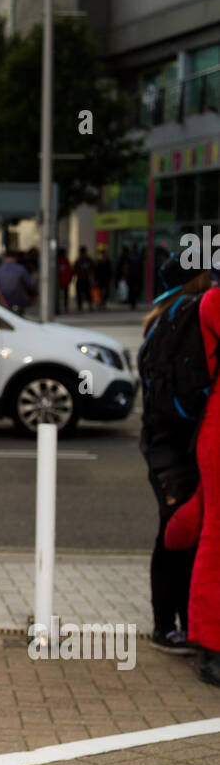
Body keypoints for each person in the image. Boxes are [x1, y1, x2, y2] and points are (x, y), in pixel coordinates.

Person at [137, 254, 210, 658]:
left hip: (164, 444)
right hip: (176, 446)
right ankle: (169, 625)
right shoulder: (183, 319)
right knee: (177, 536)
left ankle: (173, 623)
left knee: (179, 533)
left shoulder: (161, 320)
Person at [164, 269, 220, 687]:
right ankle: (210, 644)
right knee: (214, 538)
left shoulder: (210, 302)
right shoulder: (213, 304)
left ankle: (209, 643)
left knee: (209, 530)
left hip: (213, 431)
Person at [0, 250, 35, 315]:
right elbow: (30, 285)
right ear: (15, 258)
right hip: (17, 303)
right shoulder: (21, 269)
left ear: (5, 258)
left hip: (1, 302)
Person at [73, 246, 94, 312]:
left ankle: (89, 306)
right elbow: (75, 270)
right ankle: (80, 306)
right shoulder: (78, 260)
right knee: (79, 294)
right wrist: (73, 278)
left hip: (86, 279)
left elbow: (92, 269)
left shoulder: (88, 260)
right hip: (80, 279)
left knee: (88, 294)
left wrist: (92, 277)